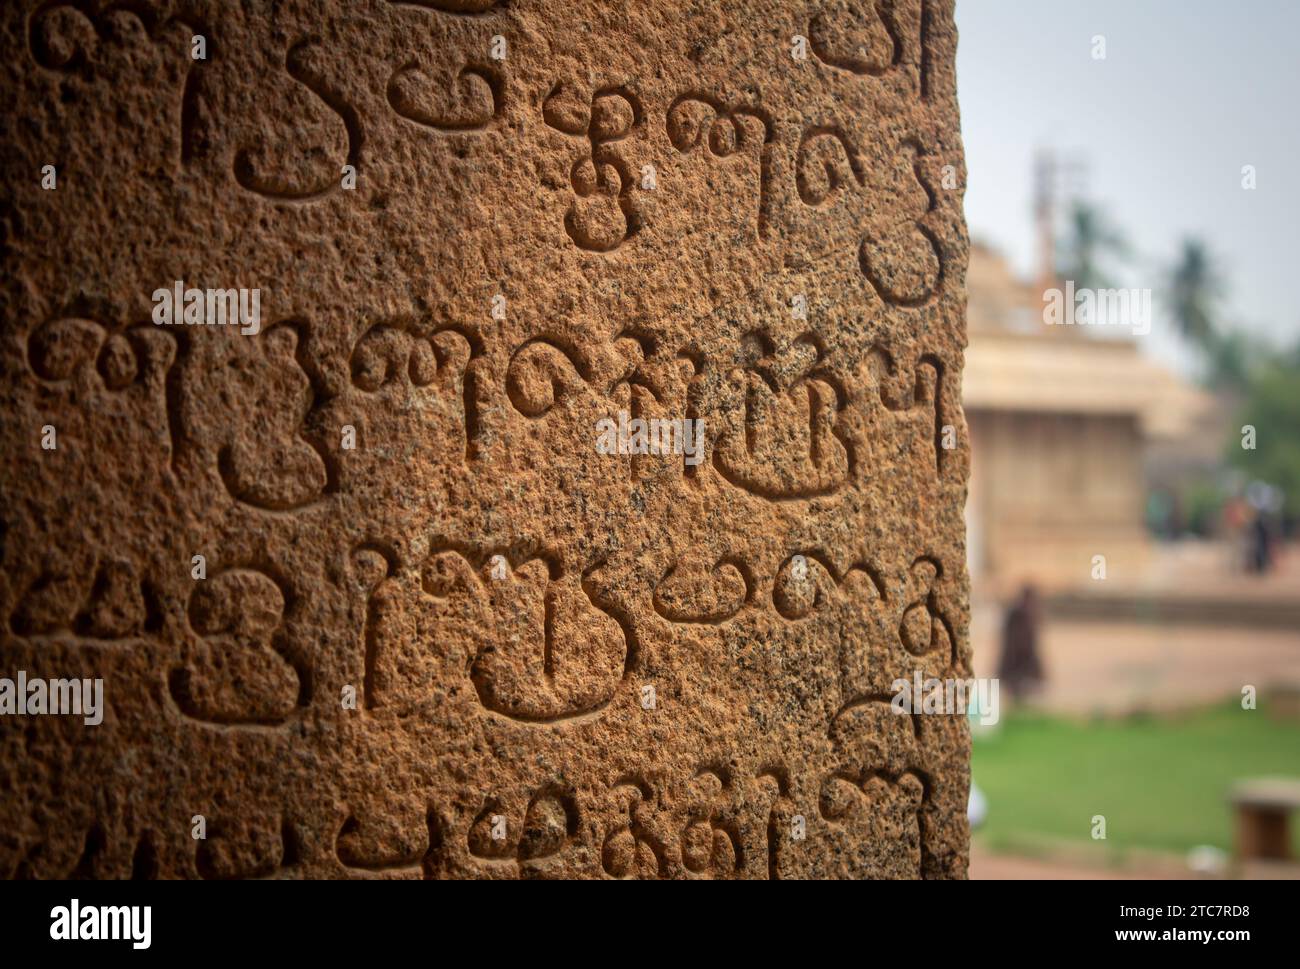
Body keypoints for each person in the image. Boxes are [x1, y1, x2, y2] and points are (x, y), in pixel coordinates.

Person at [998, 584, 1044, 701]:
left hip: (1021, 658)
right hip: (1017, 657)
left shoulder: (1028, 613)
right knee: (1017, 689)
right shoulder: (1021, 614)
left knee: (1021, 690)